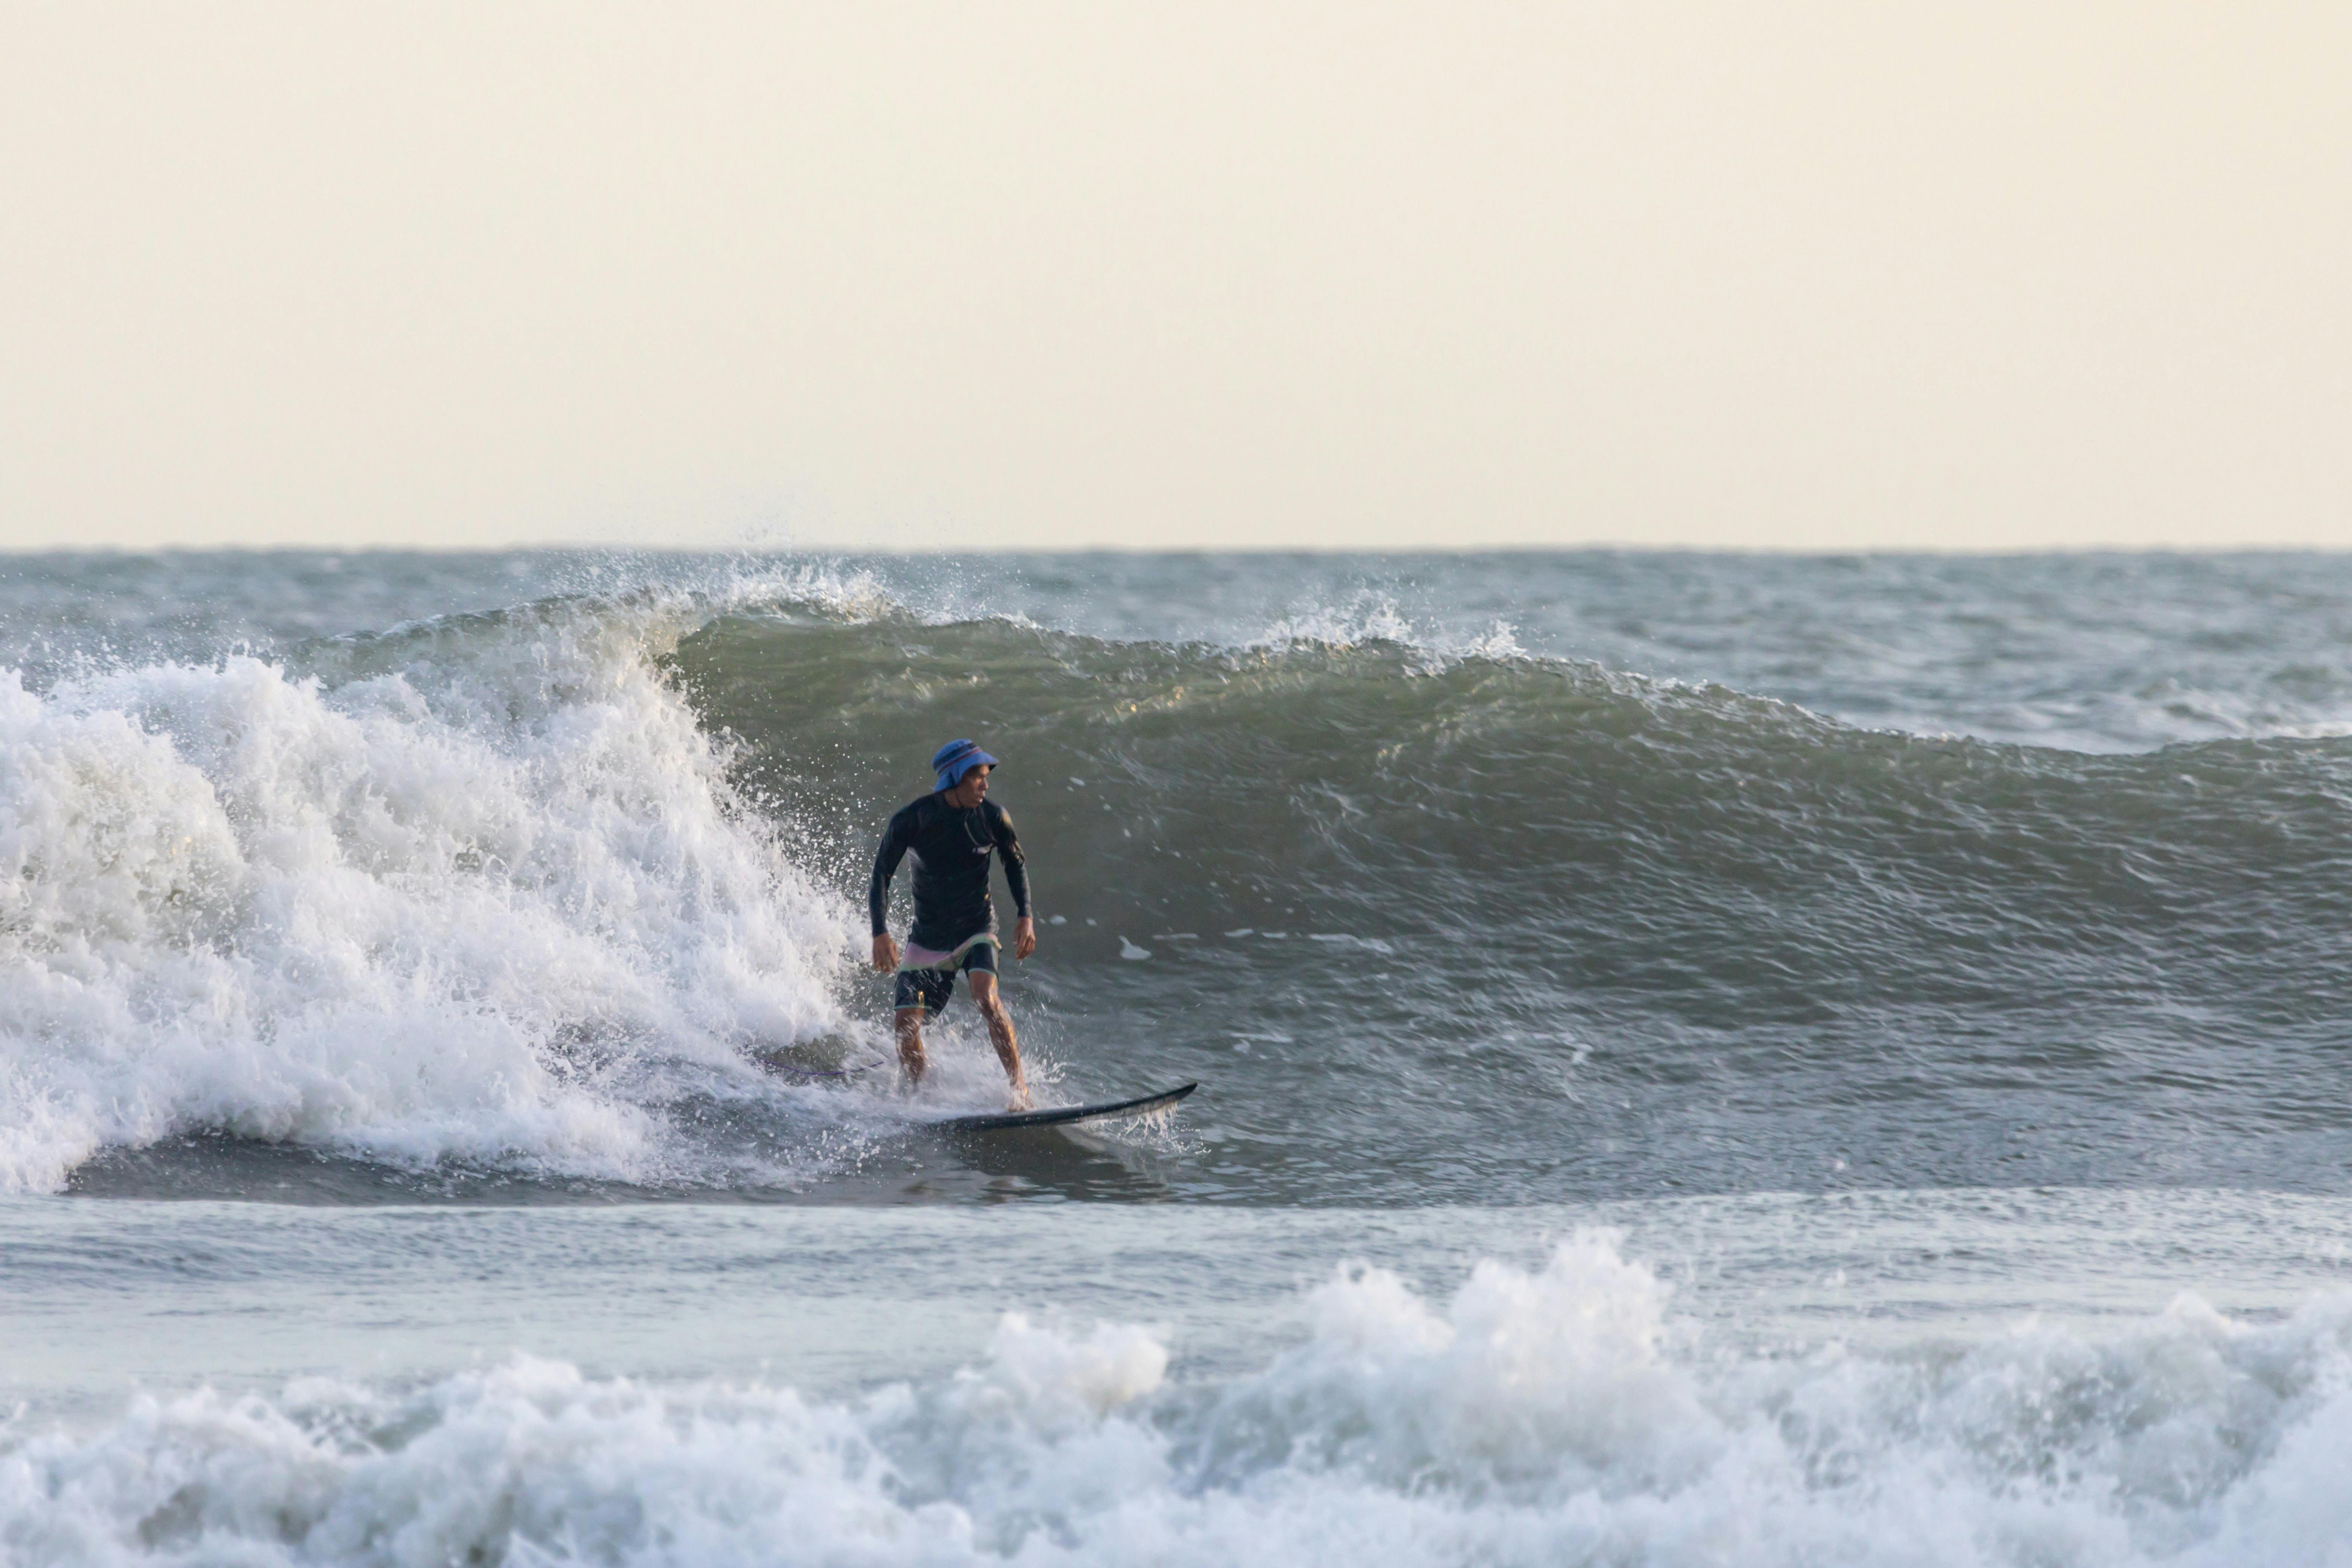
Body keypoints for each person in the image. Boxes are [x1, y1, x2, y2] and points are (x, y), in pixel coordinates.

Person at [868, 738, 1037, 1107]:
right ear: (954, 779)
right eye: (976, 777)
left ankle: (1019, 1089)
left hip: (977, 927)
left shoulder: (993, 817)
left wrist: (1026, 916)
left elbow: (1015, 863)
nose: (985, 784)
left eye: (985, 776)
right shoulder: (913, 819)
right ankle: (922, 1095)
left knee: (985, 996)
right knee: (905, 1027)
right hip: (929, 934)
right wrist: (880, 932)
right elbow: (882, 872)